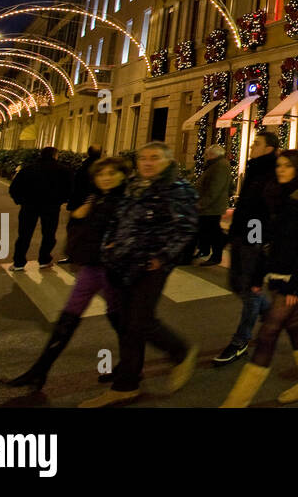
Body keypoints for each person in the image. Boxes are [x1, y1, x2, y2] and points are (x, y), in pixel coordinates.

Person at [80, 143, 198, 407]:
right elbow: (120, 219)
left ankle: (177, 353)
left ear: (168, 161)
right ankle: (129, 375)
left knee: (139, 322)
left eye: (154, 158)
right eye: (143, 158)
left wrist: (162, 257)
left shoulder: (177, 190)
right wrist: (109, 244)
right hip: (122, 261)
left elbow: (186, 229)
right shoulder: (134, 184)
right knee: (123, 320)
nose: (147, 162)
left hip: (149, 265)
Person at [1, 157, 128, 392]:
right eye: (102, 174)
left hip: (111, 269)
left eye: (112, 173)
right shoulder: (98, 196)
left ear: (122, 175)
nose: (106, 177)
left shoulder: (124, 201)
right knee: (69, 317)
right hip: (91, 267)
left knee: (118, 318)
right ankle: (39, 371)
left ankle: (135, 365)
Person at [221, 150, 298, 407]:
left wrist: (296, 286)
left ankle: (236, 401)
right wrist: (259, 274)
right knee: (296, 326)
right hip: (278, 271)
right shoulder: (278, 196)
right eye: (279, 165)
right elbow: (269, 241)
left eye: (287, 166)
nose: (281, 170)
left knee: (268, 333)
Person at [214, 131, 278, 367]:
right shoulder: (254, 168)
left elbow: (265, 212)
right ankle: (273, 316)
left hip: (255, 236)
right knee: (236, 284)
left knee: (251, 289)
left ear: (269, 148)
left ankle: (241, 340)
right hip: (243, 233)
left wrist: (257, 243)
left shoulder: (271, 172)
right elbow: (246, 206)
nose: (252, 146)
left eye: (257, 144)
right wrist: (233, 233)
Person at [9, 146, 73, 270]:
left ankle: (19, 263)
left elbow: (14, 188)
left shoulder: (28, 169)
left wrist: (20, 201)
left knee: (24, 234)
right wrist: (61, 200)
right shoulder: (64, 170)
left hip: (29, 206)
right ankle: (44, 259)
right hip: (51, 206)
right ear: (55, 155)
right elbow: (70, 189)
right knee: (49, 234)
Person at [194, 145, 232, 266]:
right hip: (210, 205)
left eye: (207, 154)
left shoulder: (220, 165)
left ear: (213, 154)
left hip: (212, 206)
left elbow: (215, 188)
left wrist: (202, 203)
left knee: (213, 231)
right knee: (206, 229)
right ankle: (204, 250)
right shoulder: (214, 165)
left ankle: (216, 256)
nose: (205, 157)